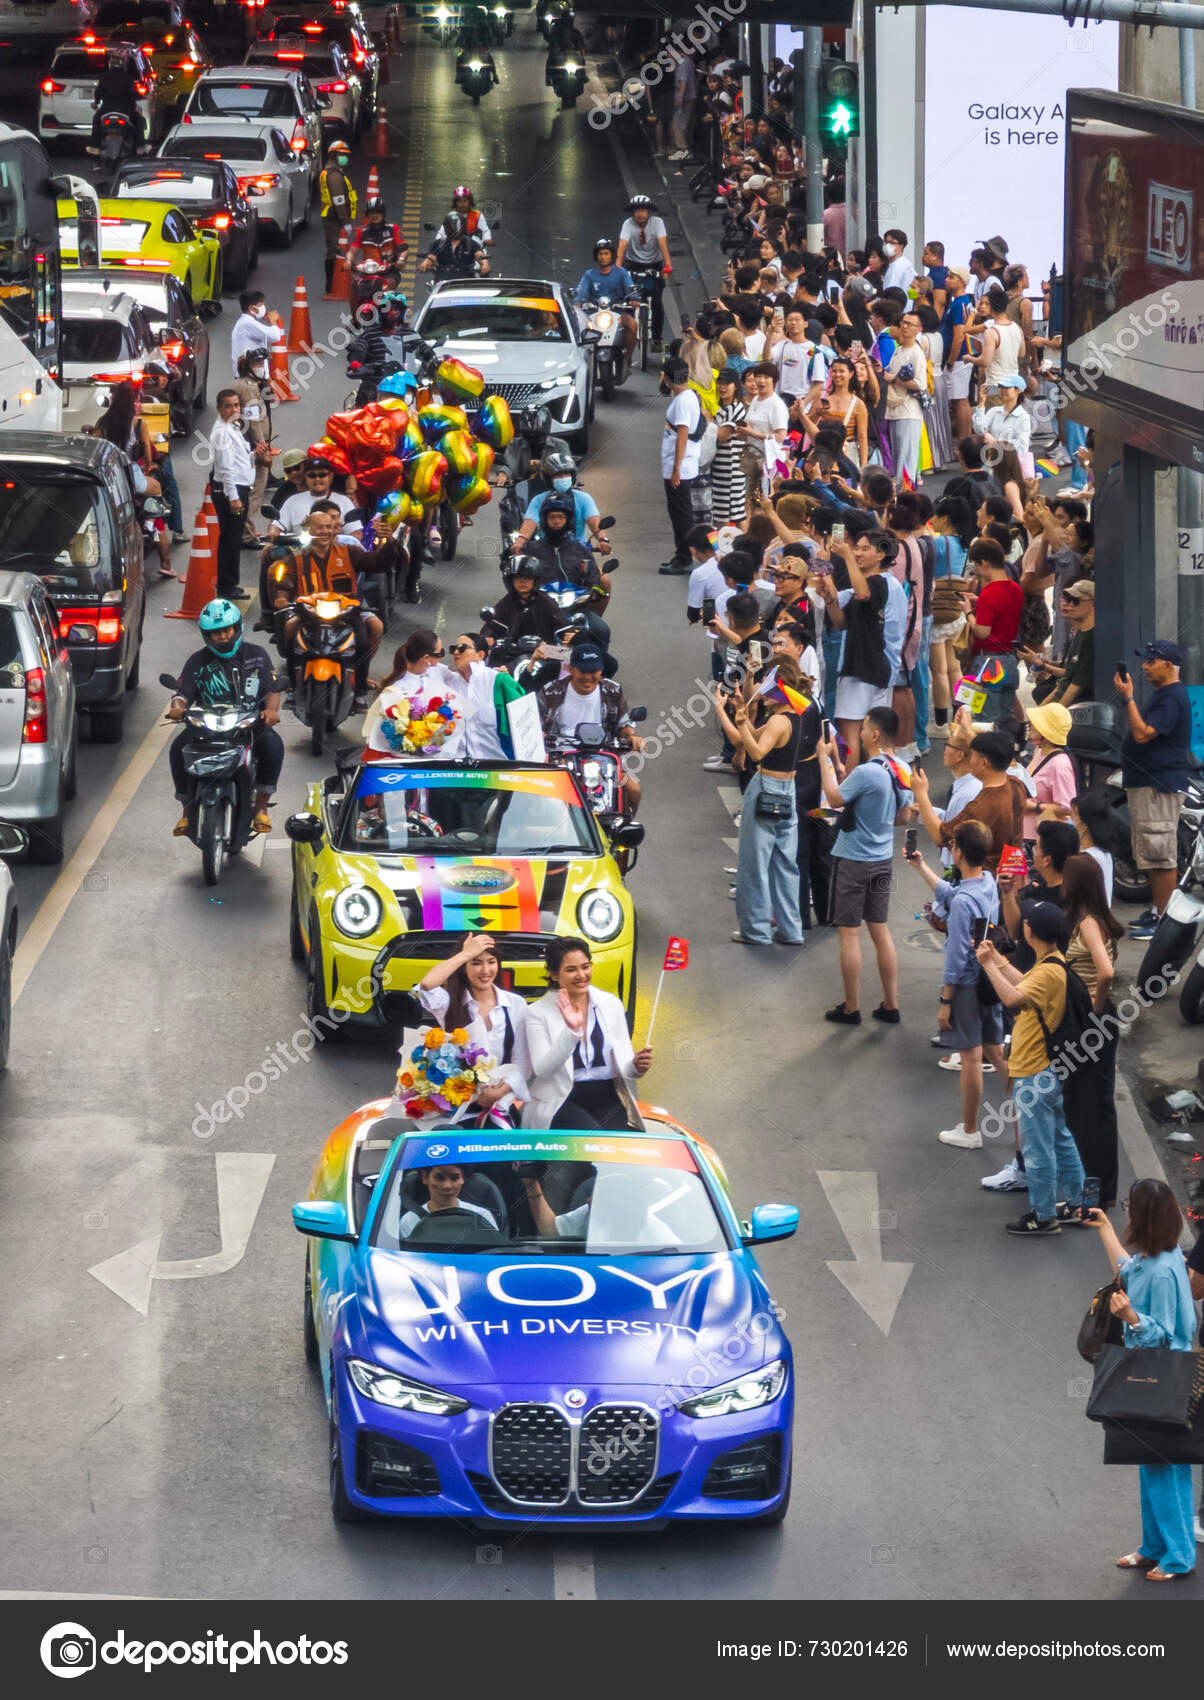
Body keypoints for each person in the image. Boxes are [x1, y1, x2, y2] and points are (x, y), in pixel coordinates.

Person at [1089, 1183, 1198, 1581]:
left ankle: (1179, 1556)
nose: (1126, 1214)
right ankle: (1155, 1546)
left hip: (1164, 1381)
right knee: (1155, 1464)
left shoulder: (1163, 1273)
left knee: (1165, 1468)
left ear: (1143, 1218)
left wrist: (1132, 1318)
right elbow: (1128, 1270)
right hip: (1159, 1379)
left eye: (1129, 1209)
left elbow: (1167, 1335)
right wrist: (1104, 1229)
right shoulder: (1161, 1256)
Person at [975, 901, 1085, 1235]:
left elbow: (1010, 999)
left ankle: (1043, 1214)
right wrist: (998, 960)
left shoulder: (1049, 972)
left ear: (1029, 932)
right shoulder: (1053, 965)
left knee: (1037, 1149)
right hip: (1048, 1072)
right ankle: (1078, 1204)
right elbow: (1023, 984)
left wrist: (987, 966)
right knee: (1061, 1138)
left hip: (1034, 1073)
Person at [906, 818, 1006, 1147]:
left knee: (971, 1058)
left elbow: (956, 956)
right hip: (990, 978)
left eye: (952, 846)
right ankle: (1027, 1112)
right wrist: (922, 867)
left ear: (959, 852)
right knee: (994, 1051)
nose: (950, 850)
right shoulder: (987, 882)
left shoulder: (963, 903)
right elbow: (953, 892)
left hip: (966, 985)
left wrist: (945, 1001)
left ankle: (970, 1129)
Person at [818, 705, 915, 1023]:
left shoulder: (866, 772)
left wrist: (823, 758)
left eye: (863, 729)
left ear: (875, 733)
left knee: (850, 934)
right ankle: (891, 1003)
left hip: (853, 860)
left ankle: (851, 1006)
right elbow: (901, 816)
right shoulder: (901, 768)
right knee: (880, 930)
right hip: (882, 860)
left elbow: (833, 799)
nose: (859, 734)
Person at [713, 655, 812, 947]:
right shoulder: (796, 717)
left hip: (766, 788)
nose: (760, 688)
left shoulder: (779, 721)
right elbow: (741, 739)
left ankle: (755, 929)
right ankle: (790, 928)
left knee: (754, 863)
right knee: (785, 864)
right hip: (787, 790)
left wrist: (742, 720)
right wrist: (730, 712)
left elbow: (755, 752)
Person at [166, 599, 282, 837]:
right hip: (206, 727)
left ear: (237, 628)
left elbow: (272, 691)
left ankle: (261, 806)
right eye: (215, 632)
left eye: (226, 630)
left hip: (249, 724)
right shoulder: (196, 662)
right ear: (206, 635)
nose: (222, 636)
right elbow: (182, 695)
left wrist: (271, 711)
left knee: (273, 744)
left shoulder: (257, 655)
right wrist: (177, 708)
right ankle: (186, 811)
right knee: (177, 749)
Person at [523, 938, 651, 1129]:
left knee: (621, 1150)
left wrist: (636, 1066)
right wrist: (572, 1032)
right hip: (562, 1099)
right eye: (571, 969)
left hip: (606, 1096)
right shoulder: (536, 1012)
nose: (581, 975)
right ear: (554, 974)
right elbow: (543, 1070)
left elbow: (625, 1067)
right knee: (593, 1144)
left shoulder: (610, 1003)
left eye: (585, 967)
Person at [1115, 641, 1193, 940]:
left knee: (1161, 855)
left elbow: (1144, 733)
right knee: (1151, 852)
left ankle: (1164, 921)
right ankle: (1159, 912)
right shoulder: (1165, 695)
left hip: (1158, 786)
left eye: (1152, 661)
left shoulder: (1172, 697)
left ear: (1170, 665)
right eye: (1145, 660)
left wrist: (1128, 699)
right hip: (1147, 785)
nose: (1145, 666)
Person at [270, 503, 382, 710]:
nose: (326, 532)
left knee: (369, 635)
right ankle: (294, 690)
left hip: (347, 611)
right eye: (320, 528)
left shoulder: (349, 551)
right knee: (289, 632)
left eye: (329, 527)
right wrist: (282, 597)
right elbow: (285, 581)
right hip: (307, 612)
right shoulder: (296, 556)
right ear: (308, 530)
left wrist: (387, 542)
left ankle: (358, 692)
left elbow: (375, 562)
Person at [813, 528, 907, 767]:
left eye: (865, 549)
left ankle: (848, 792)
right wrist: (825, 570)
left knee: (850, 736)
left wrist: (844, 556)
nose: (857, 553)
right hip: (879, 670)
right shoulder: (878, 585)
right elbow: (839, 620)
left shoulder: (879, 583)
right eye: (856, 548)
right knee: (875, 738)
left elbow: (863, 594)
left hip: (863, 668)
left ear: (881, 555)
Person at [1059, 853, 1122, 1206]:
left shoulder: (1087, 924)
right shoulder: (1094, 918)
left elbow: (1106, 972)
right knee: (1095, 1106)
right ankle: (1099, 1189)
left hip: (1091, 1022)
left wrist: (1094, 1007)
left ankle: (1093, 1192)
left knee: (1088, 1109)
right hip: (1095, 1022)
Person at [416, 933, 531, 1117]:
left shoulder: (515, 1004)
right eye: (476, 963)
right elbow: (427, 985)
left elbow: (522, 1061)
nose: (485, 971)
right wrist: (465, 954)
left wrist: (499, 1093)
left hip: (500, 1104)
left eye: (491, 962)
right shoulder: (448, 1002)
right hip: (456, 1104)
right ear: (463, 967)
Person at [537, 642, 644, 811]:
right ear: (571, 669)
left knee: (634, 790)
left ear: (601, 671)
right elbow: (536, 727)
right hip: (561, 760)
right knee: (554, 804)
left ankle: (623, 829)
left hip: (604, 756)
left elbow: (624, 724)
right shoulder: (550, 692)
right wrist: (540, 749)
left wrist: (632, 737)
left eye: (593, 671)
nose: (588, 677)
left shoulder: (613, 691)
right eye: (582, 671)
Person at [962, 537, 1023, 724]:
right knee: (1006, 718)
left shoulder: (989, 593)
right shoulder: (1015, 588)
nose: (976, 571)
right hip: (1009, 660)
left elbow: (982, 632)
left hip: (988, 663)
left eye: (977, 565)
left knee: (984, 720)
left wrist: (968, 612)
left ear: (985, 563)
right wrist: (979, 602)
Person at [209, 390, 255, 600]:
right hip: (231, 491)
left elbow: (239, 458)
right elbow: (226, 468)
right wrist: (234, 498)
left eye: (236, 405)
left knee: (233, 537)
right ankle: (227, 586)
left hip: (237, 488)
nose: (234, 409)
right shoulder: (222, 432)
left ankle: (229, 584)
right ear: (219, 408)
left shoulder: (231, 427)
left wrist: (255, 454)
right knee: (231, 538)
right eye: (229, 406)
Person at [660, 357, 705, 574]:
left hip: (680, 468)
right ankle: (681, 554)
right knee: (676, 512)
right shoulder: (687, 397)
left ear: (667, 379)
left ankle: (685, 557)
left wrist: (676, 468)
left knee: (681, 515)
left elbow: (682, 435)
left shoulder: (684, 401)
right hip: (677, 465)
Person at [447, 631, 522, 761]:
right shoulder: (449, 685)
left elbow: (525, 719)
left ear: (480, 655)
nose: (456, 652)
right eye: (453, 649)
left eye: (462, 648)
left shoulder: (499, 681)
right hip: (460, 768)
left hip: (498, 765)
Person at [1022, 579, 1095, 707]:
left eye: (1075, 601)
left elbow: (1074, 687)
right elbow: (1065, 681)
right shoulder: (1080, 634)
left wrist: (1051, 716)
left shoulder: (1090, 638)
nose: (1069, 604)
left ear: (1092, 604)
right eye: (1067, 599)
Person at [230, 350, 274, 544]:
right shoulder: (248, 389)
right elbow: (253, 420)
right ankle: (246, 533)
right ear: (248, 365)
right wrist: (262, 448)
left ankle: (245, 530)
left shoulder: (251, 385)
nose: (261, 366)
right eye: (258, 363)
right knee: (256, 487)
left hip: (248, 444)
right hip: (253, 444)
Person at [884, 311, 930, 488]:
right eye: (903, 322)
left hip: (909, 410)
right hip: (895, 409)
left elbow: (920, 384)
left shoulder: (916, 353)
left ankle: (908, 496)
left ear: (919, 329)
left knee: (906, 459)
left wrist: (894, 378)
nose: (905, 326)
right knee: (898, 458)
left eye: (910, 324)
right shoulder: (899, 349)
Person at [617, 196, 670, 347]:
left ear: (648, 212)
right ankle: (628, 334)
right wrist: (617, 268)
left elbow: (662, 243)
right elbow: (622, 245)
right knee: (629, 302)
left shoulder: (657, 223)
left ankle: (657, 339)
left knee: (657, 302)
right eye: (637, 211)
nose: (640, 214)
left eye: (643, 210)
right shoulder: (627, 224)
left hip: (654, 265)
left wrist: (668, 264)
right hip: (633, 264)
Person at [1022, 701, 1076, 843]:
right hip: (1026, 834)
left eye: (1036, 723)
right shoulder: (1039, 752)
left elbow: (1066, 808)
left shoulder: (1059, 764)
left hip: (1040, 841)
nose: (1031, 724)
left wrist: (1034, 807)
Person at [398, 1164, 500, 1240]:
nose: (447, 1186)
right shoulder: (409, 1221)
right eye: (439, 1178)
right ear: (425, 1178)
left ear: (463, 1179)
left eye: (454, 1178)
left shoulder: (482, 1216)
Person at [574, 239, 638, 359]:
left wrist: (633, 298)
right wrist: (578, 302)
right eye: (600, 254)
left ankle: (628, 357)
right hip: (594, 312)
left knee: (632, 325)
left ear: (612, 255)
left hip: (618, 311)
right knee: (578, 327)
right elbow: (581, 291)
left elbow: (630, 287)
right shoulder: (589, 275)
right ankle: (582, 358)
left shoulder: (621, 273)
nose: (603, 257)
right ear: (596, 256)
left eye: (606, 254)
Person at [490, 558, 564, 648]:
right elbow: (491, 626)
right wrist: (487, 639)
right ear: (510, 580)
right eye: (517, 577)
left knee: (566, 655)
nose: (522, 581)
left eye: (528, 577)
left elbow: (563, 625)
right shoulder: (506, 602)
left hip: (545, 652)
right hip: (511, 653)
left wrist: (573, 634)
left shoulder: (546, 602)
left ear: (535, 579)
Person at [319, 139, 357, 295]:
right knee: (334, 251)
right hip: (334, 218)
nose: (345, 158)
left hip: (331, 216)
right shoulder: (334, 176)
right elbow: (338, 200)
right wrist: (345, 221)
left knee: (334, 249)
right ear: (333, 155)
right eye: (341, 155)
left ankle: (333, 282)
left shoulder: (330, 171)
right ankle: (332, 284)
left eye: (346, 155)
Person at [229, 290, 285, 376]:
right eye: (260, 305)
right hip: (250, 377)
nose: (263, 307)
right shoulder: (247, 323)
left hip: (251, 374)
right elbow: (275, 336)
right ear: (252, 308)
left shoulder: (246, 322)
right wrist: (273, 322)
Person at [419, 210, 487, 276]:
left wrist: (484, 264)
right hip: (443, 280)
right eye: (451, 226)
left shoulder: (471, 243)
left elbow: (479, 255)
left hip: (466, 280)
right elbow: (431, 258)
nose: (454, 230)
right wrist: (425, 264)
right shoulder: (437, 244)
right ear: (445, 228)